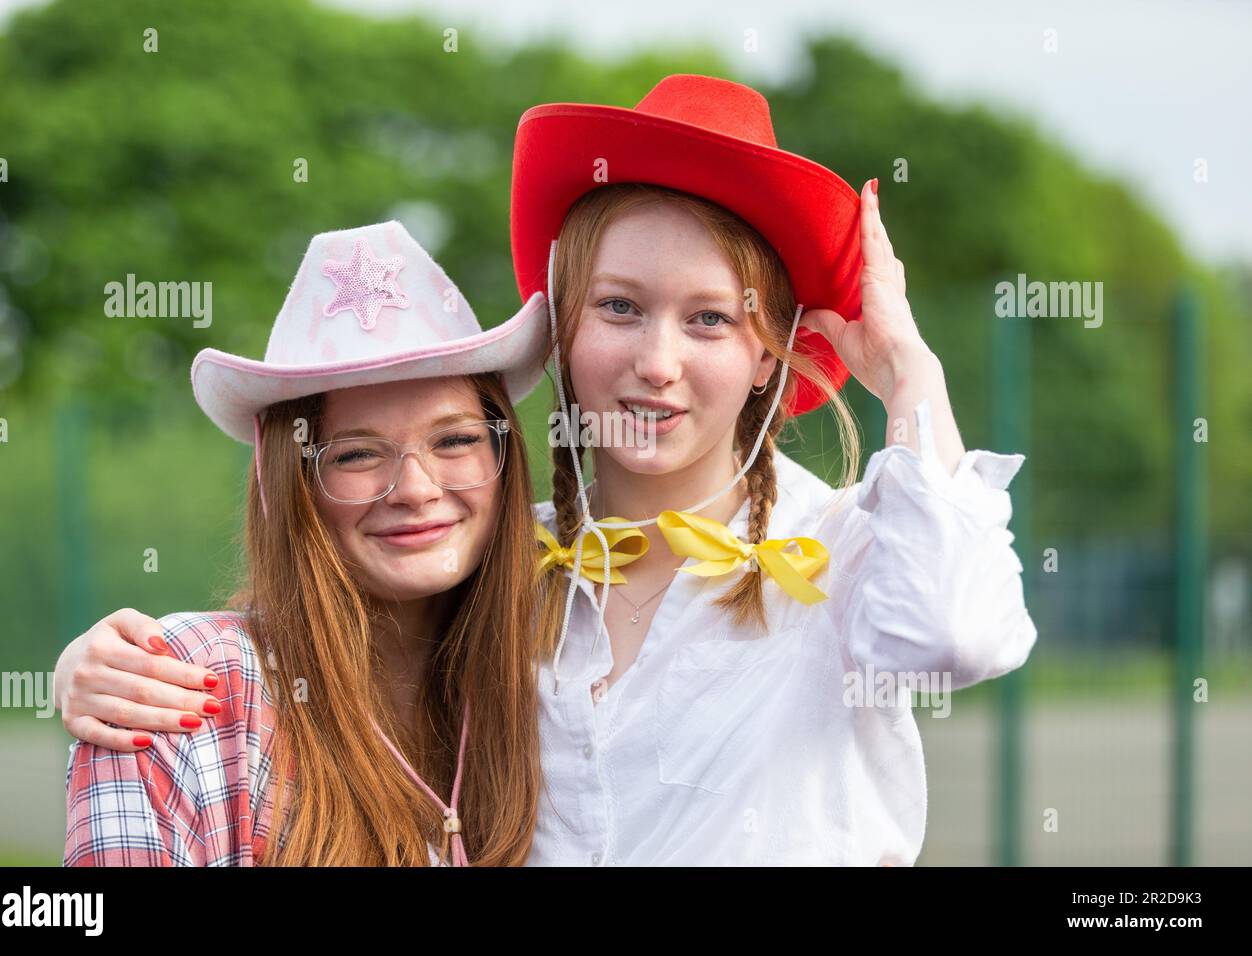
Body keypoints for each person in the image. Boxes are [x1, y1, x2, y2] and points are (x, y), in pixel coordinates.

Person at [58, 75, 1037, 866]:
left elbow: (955, 633)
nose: (658, 359)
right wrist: (99, 666)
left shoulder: (854, 543)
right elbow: (337, 635)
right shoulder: (497, 565)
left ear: (770, 355)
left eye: (709, 317)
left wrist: (908, 366)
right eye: (619, 306)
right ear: (561, 326)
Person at [63, 221, 551, 866]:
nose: (416, 488)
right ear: (291, 486)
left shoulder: (568, 640)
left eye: (455, 440)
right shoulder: (185, 686)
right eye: (355, 454)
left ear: (504, 452)